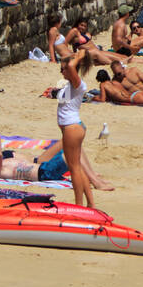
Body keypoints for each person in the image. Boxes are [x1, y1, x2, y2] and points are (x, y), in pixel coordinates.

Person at [57, 50, 95, 207]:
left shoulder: (78, 84)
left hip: (72, 127)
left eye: (63, 68)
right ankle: (90, 204)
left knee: (73, 169)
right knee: (77, 167)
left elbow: (72, 66)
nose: (61, 71)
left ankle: (79, 204)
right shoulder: (69, 85)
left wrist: (79, 56)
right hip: (70, 127)